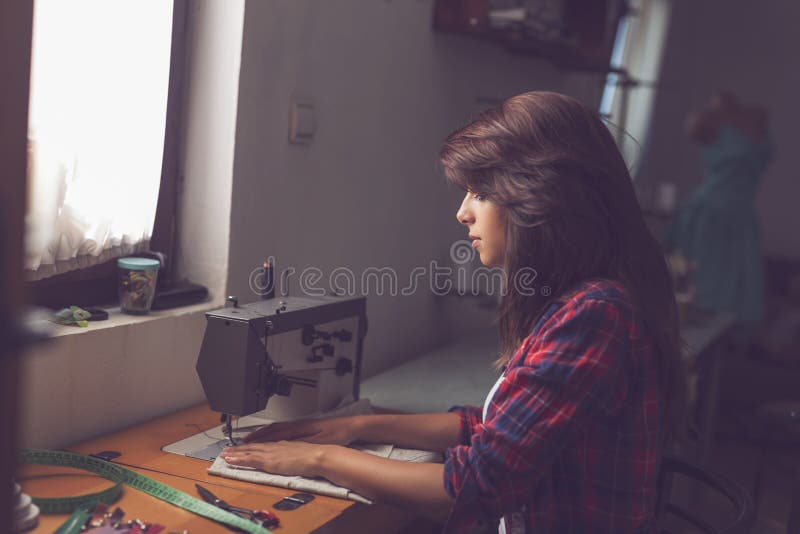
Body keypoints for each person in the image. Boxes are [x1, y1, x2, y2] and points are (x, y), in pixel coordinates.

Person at [221, 92, 685, 533]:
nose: (463, 212)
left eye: (480, 192)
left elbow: (476, 484)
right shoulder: (581, 300)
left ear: (540, 195)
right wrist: (357, 425)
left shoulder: (597, 315)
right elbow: (491, 427)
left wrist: (315, 459)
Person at [666, 90, 772, 340]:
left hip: (740, 215)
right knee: (698, 282)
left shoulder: (756, 117)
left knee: (730, 290)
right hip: (710, 212)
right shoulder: (706, 122)